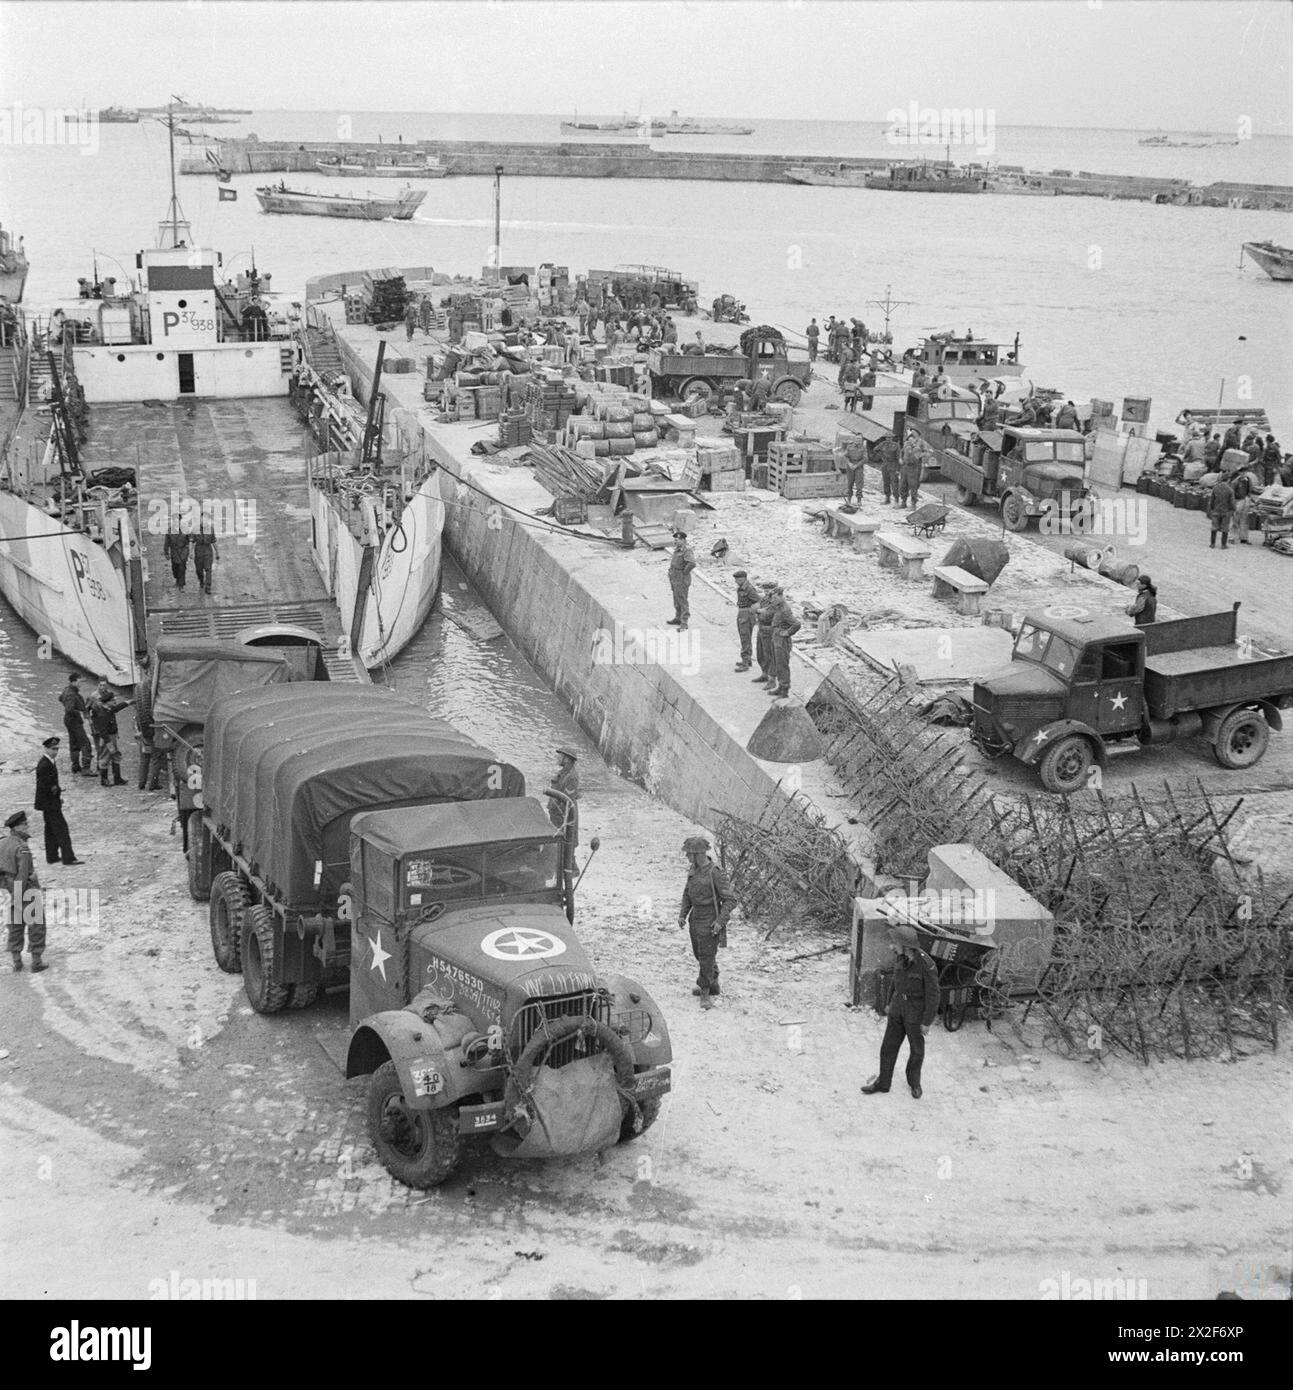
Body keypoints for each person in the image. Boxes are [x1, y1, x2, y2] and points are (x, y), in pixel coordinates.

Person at [861, 923, 941, 1099]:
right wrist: (890, 1003)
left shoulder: (926, 965)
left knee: (916, 1050)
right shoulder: (900, 957)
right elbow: (894, 982)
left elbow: (933, 996)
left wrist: (926, 1022)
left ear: (905, 945)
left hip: (915, 1013)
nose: (892, 945)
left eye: (895, 942)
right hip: (898, 1009)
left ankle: (914, 1082)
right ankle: (883, 1083)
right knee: (887, 1047)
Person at [677, 835, 736, 1008]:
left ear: (698, 854)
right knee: (699, 954)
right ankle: (714, 983)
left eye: (689, 854)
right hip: (695, 918)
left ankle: (705, 992)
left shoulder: (715, 873)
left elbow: (731, 900)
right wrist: (683, 915)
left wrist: (720, 921)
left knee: (706, 958)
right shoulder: (693, 870)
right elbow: (687, 894)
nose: (687, 857)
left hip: (710, 920)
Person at [1, 811, 46, 972]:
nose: (28, 827)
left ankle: (17, 961)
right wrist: (21, 892)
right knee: (36, 924)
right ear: (18, 827)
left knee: (15, 924)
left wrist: (9, 890)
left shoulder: (2, 843)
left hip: (10, 889)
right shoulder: (22, 847)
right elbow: (23, 872)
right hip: (26, 889)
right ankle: (36, 961)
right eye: (25, 824)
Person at [35, 734, 81, 866]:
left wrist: (57, 795)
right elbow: (47, 786)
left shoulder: (48, 762)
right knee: (62, 830)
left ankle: (52, 856)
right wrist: (57, 795)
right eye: (53, 749)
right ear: (46, 749)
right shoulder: (44, 764)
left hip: (47, 803)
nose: (55, 752)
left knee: (50, 830)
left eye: (57, 749)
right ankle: (68, 858)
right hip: (50, 804)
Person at [88, 681, 131, 786]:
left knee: (116, 755)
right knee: (105, 757)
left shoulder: (107, 709)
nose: (115, 701)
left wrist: (128, 703)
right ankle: (104, 780)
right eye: (113, 700)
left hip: (112, 736)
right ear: (108, 702)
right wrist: (109, 743)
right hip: (107, 738)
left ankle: (117, 779)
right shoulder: (102, 714)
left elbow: (116, 708)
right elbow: (102, 731)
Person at [768, 586, 800, 698]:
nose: (773, 600)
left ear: (781, 596)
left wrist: (787, 633)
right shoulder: (779, 606)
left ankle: (784, 691)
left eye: (775, 598)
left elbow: (796, 624)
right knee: (777, 663)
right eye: (773, 598)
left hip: (782, 641)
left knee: (782, 665)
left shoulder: (785, 609)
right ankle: (781, 687)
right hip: (776, 637)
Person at [59, 673, 93, 775]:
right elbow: (69, 709)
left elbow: (60, 698)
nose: (80, 684)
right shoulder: (72, 694)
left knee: (74, 743)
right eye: (79, 681)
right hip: (74, 720)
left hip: (68, 720)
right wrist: (79, 711)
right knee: (85, 744)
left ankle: (75, 766)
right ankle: (86, 769)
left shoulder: (66, 690)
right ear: (73, 682)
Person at [666, 529, 695, 630]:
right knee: (676, 599)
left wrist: (684, 573)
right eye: (674, 540)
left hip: (681, 578)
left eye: (677, 540)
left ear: (683, 540)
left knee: (682, 600)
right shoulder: (677, 549)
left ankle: (684, 623)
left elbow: (692, 563)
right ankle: (678, 618)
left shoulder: (686, 551)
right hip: (674, 577)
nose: (675, 542)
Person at [733, 570, 760, 673]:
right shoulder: (742, 588)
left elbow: (758, 600)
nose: (736, 581)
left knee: (745, 637)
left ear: (743, 579)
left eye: (737, 579)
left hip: (746, 615)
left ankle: (745, 663)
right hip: (742, 613)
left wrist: (753, 610)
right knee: (744, 637)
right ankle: (747, 660)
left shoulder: (749, 589)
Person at [752, 581, 777, 686]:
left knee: (770, 655)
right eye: (765, 589)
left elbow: (769, 613)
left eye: (768, 589)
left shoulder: (776, 601)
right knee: (760, 653)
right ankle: (764, 674)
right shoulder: (765, 599)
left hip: (770, 630)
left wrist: (759, 611)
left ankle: (772, 680)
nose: (766, 591)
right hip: (761, 628)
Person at [898, 430, 927, 508]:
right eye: (909, 439)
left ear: (914, 440)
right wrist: (900, 458)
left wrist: (914, 454)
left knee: (913, 486)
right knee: (903, 485)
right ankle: (903, 503)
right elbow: (901, 452)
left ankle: (913, 504)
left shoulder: (917, 448)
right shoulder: (906, 447)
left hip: (913, 469)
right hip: (904, 468)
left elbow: (917, 457)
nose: (910, 441)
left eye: (912, 439)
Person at [1207, 473, 1235, 550]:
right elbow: (1232, 502)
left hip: (1216, 510)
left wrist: (1211, 509)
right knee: (1225, 528)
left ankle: (1212, 544)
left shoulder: (1215, 488)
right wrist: (1233, 510)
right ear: (1228, 480)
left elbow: (1212, 500)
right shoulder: (1230, 490)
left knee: (1214, 527)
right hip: (1226, 512)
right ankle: (1223, 545)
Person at [838, 433, 867, 504]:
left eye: (859, 439)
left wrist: (857, 465)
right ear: (854, 439)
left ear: (862, 440)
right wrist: (849, 463)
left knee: (859, 484)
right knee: (849, 483)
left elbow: (865, 459)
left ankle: (859, 500)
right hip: (850, 467)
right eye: (857, 438)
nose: (858, 440)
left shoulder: (863, 448)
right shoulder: (849, 446)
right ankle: (849, 499)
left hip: (858, 467)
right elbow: (845, 456)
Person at [873, 432, 900, 505]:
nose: (888, 439)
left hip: (893, 465)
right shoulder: (883, 444)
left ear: (892, 438)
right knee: (886, 482)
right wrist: (881, 456)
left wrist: (898, 469)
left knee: (894, 482)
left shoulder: (896, 445)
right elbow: (875, 449)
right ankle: (887, 498)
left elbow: (898, 458)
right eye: (887, 437)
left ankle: (896, 500)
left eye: (890, 437)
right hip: (885, 465)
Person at [1230, 468, 1254, 545]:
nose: (1243, 474)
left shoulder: (1248, 480)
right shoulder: (1236, 482)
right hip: (1238, 501)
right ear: (1239, 473)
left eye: (1245, 472)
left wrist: (1249, 497)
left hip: (1246, 500)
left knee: (1245, 520)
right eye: (1242, 472)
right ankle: (1232, 537)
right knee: (1235, 520)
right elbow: (1232, 493)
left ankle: (1244, 538)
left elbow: (1250, 490)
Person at [192, 523, 218, 595]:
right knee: (199, 570)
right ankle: (201, 580)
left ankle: (208, 587)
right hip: (199, 552)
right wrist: (190, 552)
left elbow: (214, 541)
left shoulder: (211, 529)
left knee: (208, 569)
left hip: (208, 552)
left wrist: (217, 552)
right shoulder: (195, 529)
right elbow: (192, 541)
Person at [163, 523, 191, 591]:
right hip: (174, 552)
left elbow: (190, 540)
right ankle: (177, 579)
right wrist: (166, 552)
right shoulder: (169, 530)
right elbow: (167, 542)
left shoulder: (185, 529)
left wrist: (188, 551)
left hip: (183, 551)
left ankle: (181, 585)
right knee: (175, 568)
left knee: (182, 568)